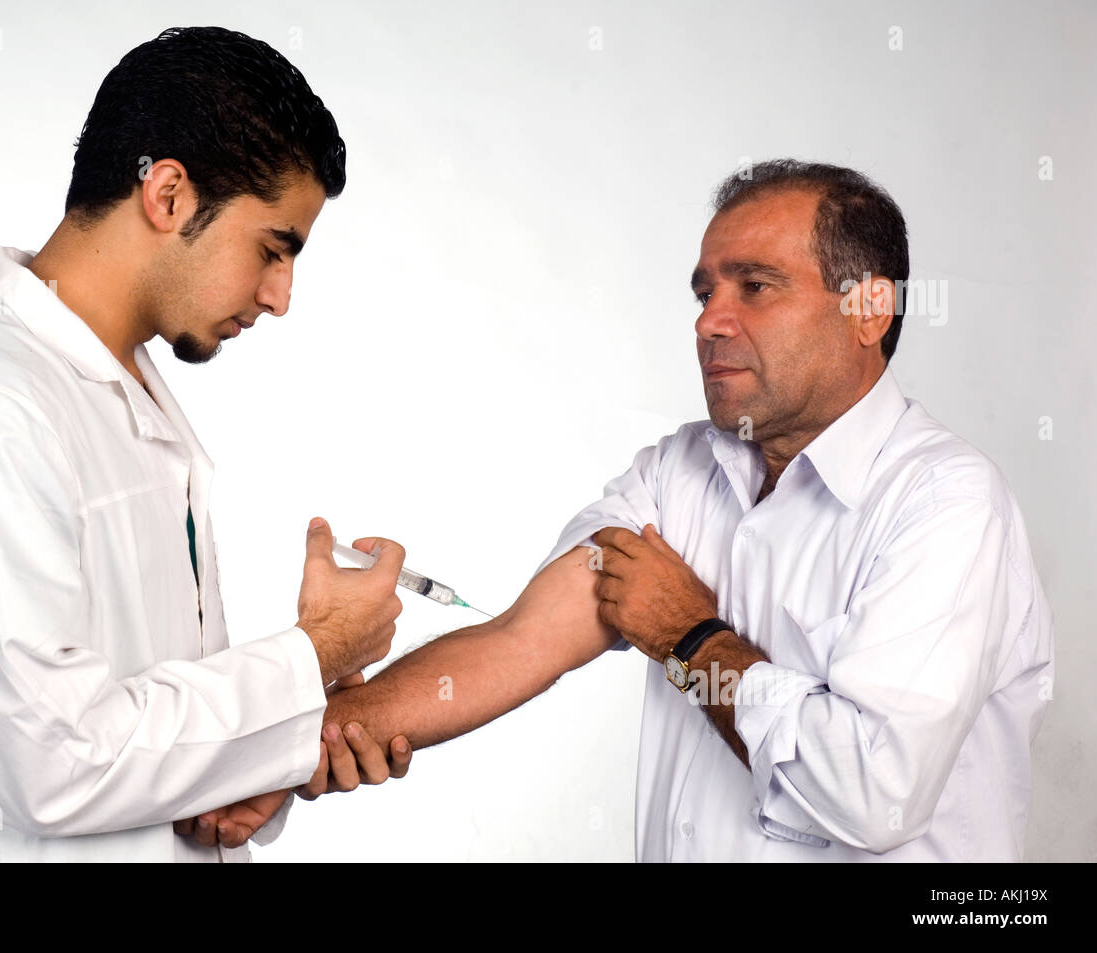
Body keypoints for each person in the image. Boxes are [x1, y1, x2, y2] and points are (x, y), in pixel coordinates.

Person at [261, 159, 1056, 861]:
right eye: (706, 292)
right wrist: (289, 747)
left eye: (756, 285)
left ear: (869, 309)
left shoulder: (946, 502)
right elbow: (522, 640)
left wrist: (689, 637)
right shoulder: (681, 470)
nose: (711, 320)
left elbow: (872, 790)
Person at [0, 26, 408, 863]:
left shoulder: (121, 392)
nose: (282, 296)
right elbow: (51, 760)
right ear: (168, 194)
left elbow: (153, 737)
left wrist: (272, 751)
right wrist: (308, 661)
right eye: (273, 248)